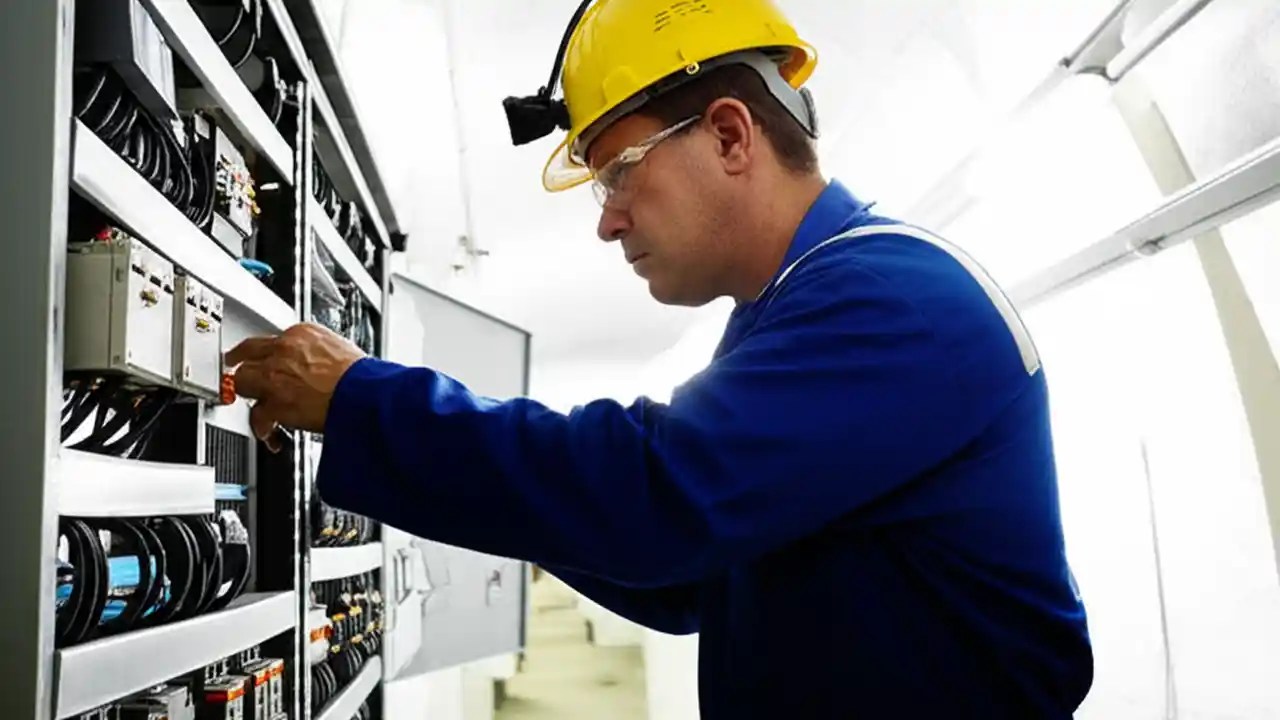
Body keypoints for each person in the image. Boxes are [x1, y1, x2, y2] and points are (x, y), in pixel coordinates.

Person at [226, 0, 1093, 717]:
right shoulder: (784, 312)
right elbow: (693, 581)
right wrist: (517, 501)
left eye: (617, 175)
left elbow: (659, 496)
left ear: (730, 136)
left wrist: (365, 401)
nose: (608, 221)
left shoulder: (892, 296)